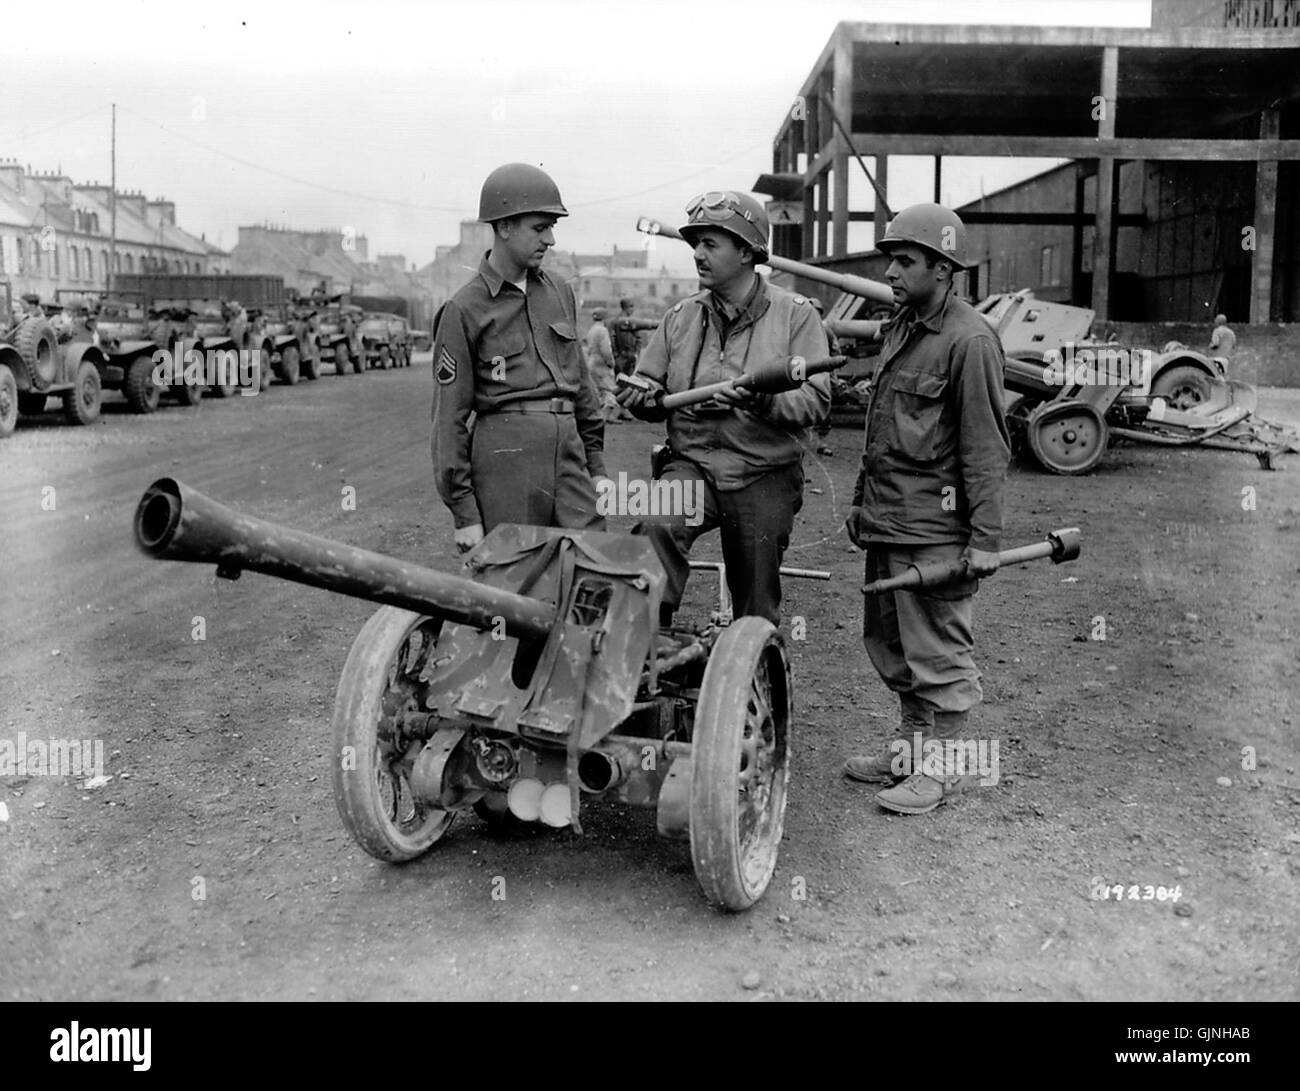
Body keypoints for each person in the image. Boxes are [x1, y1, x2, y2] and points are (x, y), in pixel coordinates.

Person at [841, 203, 1011, 815]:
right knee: (892, 644)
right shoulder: (902, 328)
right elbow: (879, 428)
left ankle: (942, 770)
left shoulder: (970, 341)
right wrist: (862, 504)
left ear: (942, 269)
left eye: (904, 260)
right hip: (891, 521)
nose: (890, 270)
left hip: (938, 529)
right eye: (890, 257)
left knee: (939, 650)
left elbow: (987, 448)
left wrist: (985, 539)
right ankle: (913, 751)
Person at [618, 190, 830, 626]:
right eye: (696, 244)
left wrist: (764, 400)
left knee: (754, 595)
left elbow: (816, 400)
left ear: (748, 252)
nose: (697, 254)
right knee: (654, 526)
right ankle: (648, 651)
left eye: (710, 244)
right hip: (692, 466)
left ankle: (755, 676)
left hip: (763, 472)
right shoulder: (679, 317)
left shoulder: (796, 316)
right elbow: (648, 386)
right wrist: (640, 399)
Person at [431, 162, 607, 554]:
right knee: (512, 576)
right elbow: (449, 417)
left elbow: (581, 384)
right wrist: (465, 513)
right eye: (539, 227)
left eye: (552, 227)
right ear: (504, 227)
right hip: (506, 454)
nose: (551, 239)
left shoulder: (559, 291)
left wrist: (596, 466)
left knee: (595, 565)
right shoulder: (464, 309)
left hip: (569, 450)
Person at [583, 308, 624, 422]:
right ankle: (608, 417)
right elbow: (605, 349)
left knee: (599, 391)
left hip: (592, 362)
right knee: (610, 389)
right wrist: (611, 362)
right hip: (601, 364)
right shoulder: (602, 330)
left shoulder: (591, 330)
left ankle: (600, 416)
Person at [610, 297, 642, 376]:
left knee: (630, 380)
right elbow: (612, 339)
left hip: (631, 355)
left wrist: (636, 353)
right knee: (621, 379)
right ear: (625, 307)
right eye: (631, 306)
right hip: (621, 356)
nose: (633, 309)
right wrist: (616, 355)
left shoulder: (633, 321)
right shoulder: (616, 322)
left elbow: (639, 338)